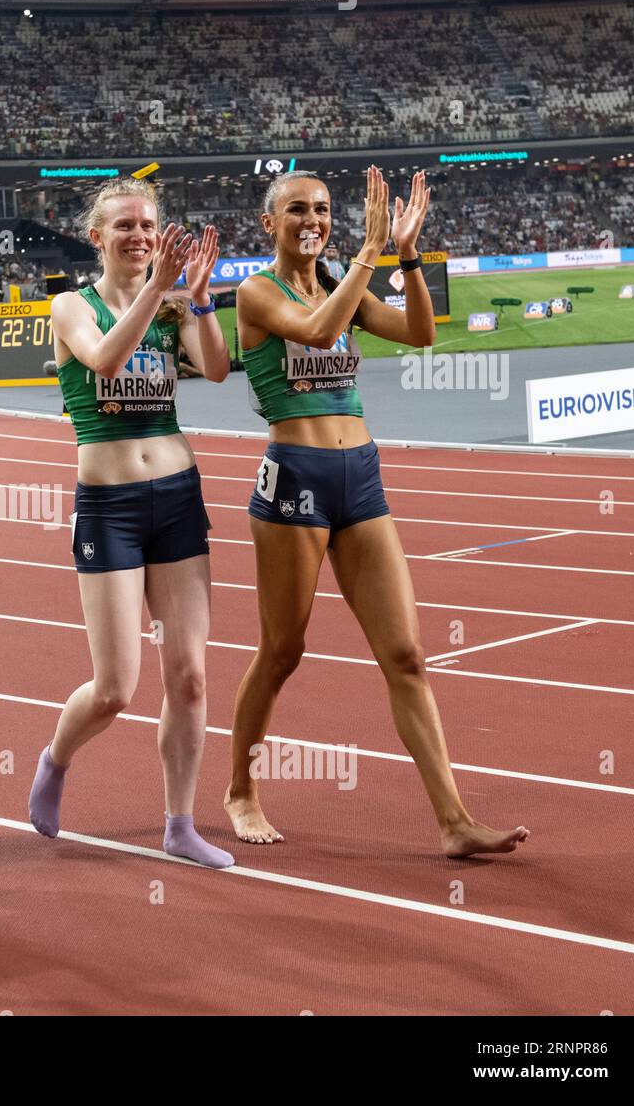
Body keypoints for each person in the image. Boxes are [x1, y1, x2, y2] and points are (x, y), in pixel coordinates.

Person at [225, 167, 529, 858]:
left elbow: (421, 331)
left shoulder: (342, 282)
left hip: (359, 476)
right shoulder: (255, 292)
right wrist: (366, 252)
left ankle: (453, 822)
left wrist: (408, 256)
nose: (313, 220)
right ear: (269, 225)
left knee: (407, 654)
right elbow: (315, 328)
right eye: (297, 209)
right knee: (282, 650)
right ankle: (240, 790)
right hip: (294, 482)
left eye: (323, 210)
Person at [29, 177, 234, 868]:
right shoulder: (69, 307)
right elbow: (106, 357)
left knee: (192, 677)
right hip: (111, 507)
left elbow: (217, 367)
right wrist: (160, 291)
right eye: (124, 226)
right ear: (97, 237)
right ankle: (56, 759)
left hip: (176, 495)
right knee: (116, 688)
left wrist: (198, 298)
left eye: (149, 224)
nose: (140, 235)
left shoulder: (173, 305)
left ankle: (181, 823)